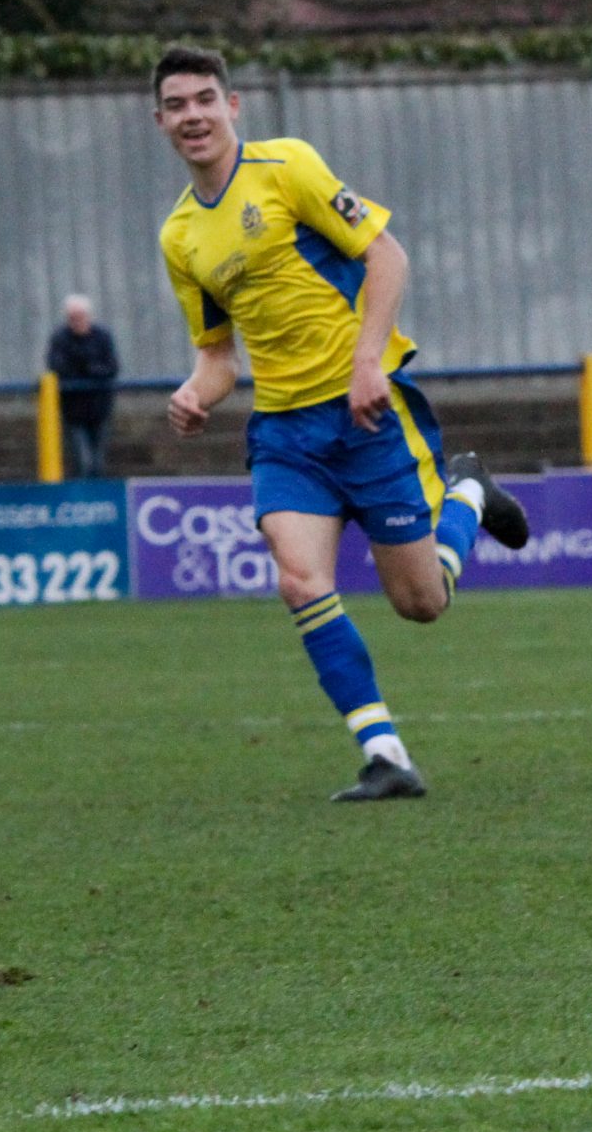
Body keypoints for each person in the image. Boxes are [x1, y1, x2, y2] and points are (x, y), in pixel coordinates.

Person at [151, 46, 532, 802]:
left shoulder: (287, 167)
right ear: (159, 120)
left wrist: (367, 363)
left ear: (234, 106)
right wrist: (194, 393)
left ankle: (467, 498)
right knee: (299, 579)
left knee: (422, 603)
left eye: (204, 98)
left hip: (368, 413)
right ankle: (384, 752)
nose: (192, 114)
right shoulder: (181, 237)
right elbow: (218, 356)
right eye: (176, 105)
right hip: (287, 434)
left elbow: (386, 257)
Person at [45, 294, 119, 478]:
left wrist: (86, 368)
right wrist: (88, 368)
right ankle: (83, 501)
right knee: (82, 461)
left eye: (81, 316)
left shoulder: (102, 336)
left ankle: (98, 499)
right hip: (73, 411)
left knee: (98, 462)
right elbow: (57, 367)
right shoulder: (60, 338)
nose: (77, 321)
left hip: (99, 408)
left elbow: (112, 367)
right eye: (73, 317)